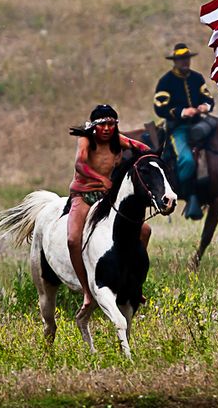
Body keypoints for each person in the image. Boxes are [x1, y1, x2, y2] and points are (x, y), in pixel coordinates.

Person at [68, 104, 151, 312]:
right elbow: (80, 164)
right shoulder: (86, 139)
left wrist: (150, 157)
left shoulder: (118, 140)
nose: (107, 128)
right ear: (94, 125)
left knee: (144, 231)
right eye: (103, 124)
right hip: (84, 194)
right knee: (73, 238)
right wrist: (101, 179)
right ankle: (87, 290)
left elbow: (139, 147)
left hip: (106, 196)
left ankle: (133, 281)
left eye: (111, 124)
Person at [153, 43, 215, 220]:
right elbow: (160, 107)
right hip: (177, 128)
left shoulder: (197, 78)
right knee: (187, 160)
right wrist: (181, 112)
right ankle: (186, 193)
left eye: (186, 58)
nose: (184, 62)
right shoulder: (166, 81)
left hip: (199, 125)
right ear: (175, 61)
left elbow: (208, 97)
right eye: (181, 59)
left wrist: (206, 106)